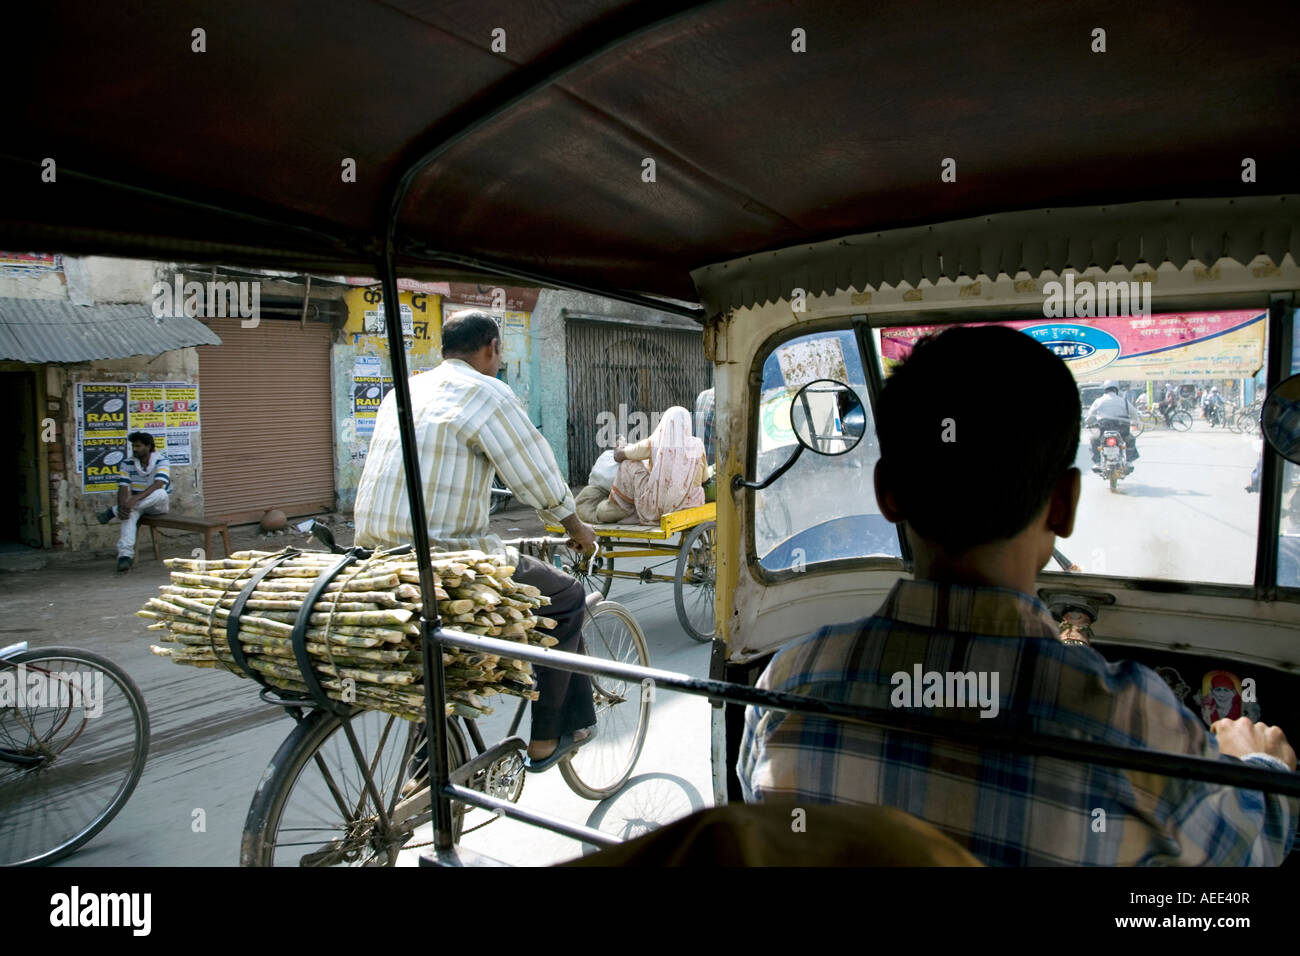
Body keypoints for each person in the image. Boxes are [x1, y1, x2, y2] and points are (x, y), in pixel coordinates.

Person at [738, 325, 1297, 866]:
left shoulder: (788, 687)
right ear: (1065, 505)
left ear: (888, 494)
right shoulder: (1133, 723)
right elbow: (1247, 855)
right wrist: (1260, 768)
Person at [354, 310, 598, 771]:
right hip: (446, 555)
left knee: (437, 651)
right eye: (499, 353)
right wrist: (574, 527)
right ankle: (547, 739)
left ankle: (431, 763)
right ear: (491, 349)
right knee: (567, 597)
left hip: (378, 553)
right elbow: (536, 475)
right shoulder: (488, 392)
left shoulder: (402, 391)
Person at [602, 406, 707, 524]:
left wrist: (619, 444)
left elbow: (619, 456)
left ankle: (628, 509)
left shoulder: (655, 442)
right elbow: (704, 478)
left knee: (629, 462)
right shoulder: (698, 445)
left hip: (657, 507)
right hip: (691, 504)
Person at [96, 431, 170, 572]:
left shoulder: (162, 460)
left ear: (148, 447)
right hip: (137, 505)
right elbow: (123, 487)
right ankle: (125, 556)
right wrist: (124, 505)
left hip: (157, 505)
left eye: (138, 446)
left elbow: (159, 484)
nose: (135, 449)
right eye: (133, 446)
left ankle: (113, 511)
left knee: (160, 493)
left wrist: (133, 499)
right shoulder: (127, 463)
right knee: (128, 515)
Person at [1084, 380, 1139, 470]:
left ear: (1105, 390)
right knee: (1130, 439)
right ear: (1116, 390)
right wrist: (1135, 423)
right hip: (1122, 429)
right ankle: (1128, 461)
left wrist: (1087, 423)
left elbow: (1090, 416)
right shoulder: (1123, 401)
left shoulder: (1099, 401)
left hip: (1104, 428)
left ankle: (1098, 462)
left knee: (1094, 440)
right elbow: (1134, 413)